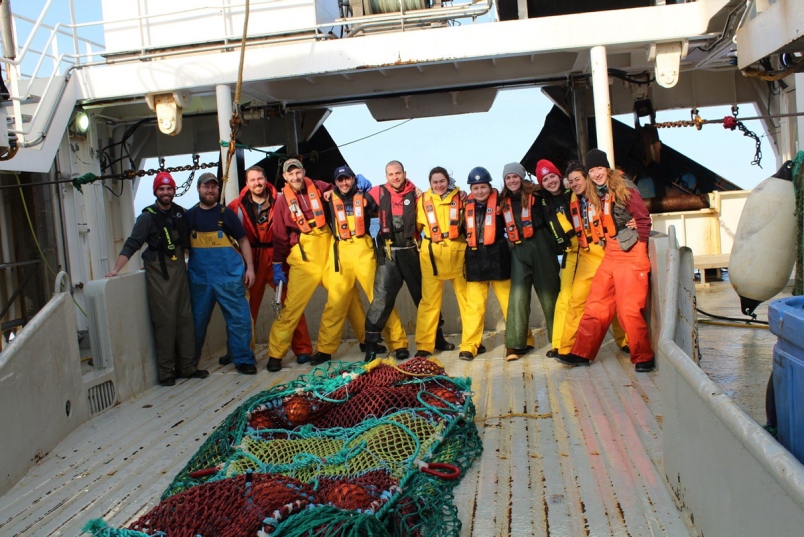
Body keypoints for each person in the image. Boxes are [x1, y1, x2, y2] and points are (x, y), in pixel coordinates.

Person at [556, 149, 655, 372]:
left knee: (628, 308)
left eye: (600, 168)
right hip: (611, 250)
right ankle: (581, 353)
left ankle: (643, 357)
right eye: (592, 170)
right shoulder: (595, 191)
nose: (597, 173)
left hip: (630, 250)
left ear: (607, 168)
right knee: (596, 303)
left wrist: (638, 239)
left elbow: (643, 219)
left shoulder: (624, 187)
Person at [106, 172, 204, 387]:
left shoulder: (181, 214)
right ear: (155, 192)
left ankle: (188, 367)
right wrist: (115, 269)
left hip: (180, 273)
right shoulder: (147, 217)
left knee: (185, 320)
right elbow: (132, 244)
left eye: (169, 189)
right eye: (162, 189)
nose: (166, 192)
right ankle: (166, 371)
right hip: (160, 275)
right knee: (165, 322)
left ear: (174, 191)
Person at [363, 160, 454, 362]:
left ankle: (437, 338)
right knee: (382, 299)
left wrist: (460, 192)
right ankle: (371, 344)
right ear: (386, 176)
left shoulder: (418, 194)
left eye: (398, 173)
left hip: (412, 250)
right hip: (388, 253)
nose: (395, 177)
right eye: (390, 174)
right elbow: (354, 204)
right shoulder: (377, 192)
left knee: (425, 298)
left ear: (404, 173)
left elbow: (442, 199)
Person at [317, 165, 408, 362]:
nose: (344, 183)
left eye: (347, 179)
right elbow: (306, 187)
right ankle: (325, 349)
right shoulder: (328, 198)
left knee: (380, 298)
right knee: (335, 302)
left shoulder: (366, 197)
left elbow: (392, 198)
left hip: (363, 250)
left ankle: (399, 343)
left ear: (354, 179)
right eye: (340, 180)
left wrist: (414, 189)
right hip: (341, 252)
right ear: (335, 182)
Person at [227, 165, 313, 364]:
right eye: (252, 180)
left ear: (266, 179)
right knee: (246, 310)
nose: (257, 183)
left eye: (260, 178)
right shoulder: (235, 207)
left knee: (291, 304)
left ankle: (303, 349)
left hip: (279, 259)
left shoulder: (283, 200)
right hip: (252, 260)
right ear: (246, 183)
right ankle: (240, 350)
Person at [186, 173, 257, 375]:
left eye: (213, 187)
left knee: (239, 319)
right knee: (196, 322)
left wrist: (249, 269)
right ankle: (190, 363)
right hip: (200, 280)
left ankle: (243, 359)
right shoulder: (189, 217)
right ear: (198, 189)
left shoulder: (227, 214)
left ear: (218, 189)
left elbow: (243, 240)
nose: (210, 190)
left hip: (230, 277)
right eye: (206, 187)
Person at [556, 161, 628, 358]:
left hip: (607, 251)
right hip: (587, 254)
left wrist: (633, 222)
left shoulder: (604, 193)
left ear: (587, 178)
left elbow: (624, 208)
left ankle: (625, 341)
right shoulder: (568, 199)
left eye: (578, 179)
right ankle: (566, 347)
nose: (574, 184)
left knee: (616, 299)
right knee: (576, 301)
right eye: (570, 181)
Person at [461, 166, 534, 360]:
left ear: (489, 186)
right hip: (475, 259)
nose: (479, 192)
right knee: (474, 306)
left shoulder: (503, 202)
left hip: (498, 256)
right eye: (475, 188)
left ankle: (522, 340)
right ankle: (470, 345)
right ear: (470, 189)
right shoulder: (463, 205)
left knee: (510, 303)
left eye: (483, 187)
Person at [500, 162, 561, 361]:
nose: (512, 181)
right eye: (508, 178)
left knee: (550, 295)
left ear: (521, 177)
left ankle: (560, 341)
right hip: (519, 249)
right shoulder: (502, 201)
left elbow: (559, 199)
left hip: (542, 245)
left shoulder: (538, 195)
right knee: (517, 296)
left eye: (515, 177)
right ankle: (516, 344)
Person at [414, 167, 471, 358]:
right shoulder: (422, 201)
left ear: (448, 181)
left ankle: (471, 343)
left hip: (457, 252)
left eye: (442, 181)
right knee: (429, 302)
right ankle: (424, 345)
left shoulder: (461, 198)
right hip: (432, 256)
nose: (439, 185)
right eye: (435, 182)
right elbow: (415, 227)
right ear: (430, 184)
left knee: (467, 300)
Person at [534, 159, 574, 358]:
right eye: (546, 179)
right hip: (570, 252)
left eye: (552, 176)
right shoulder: (542, 201)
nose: (550, 181)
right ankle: (559, 343)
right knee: (564, 298)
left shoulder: (574, 191)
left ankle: (624, 341)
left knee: (606, 295)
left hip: (591, 248)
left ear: (560, 176)